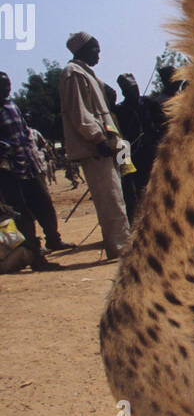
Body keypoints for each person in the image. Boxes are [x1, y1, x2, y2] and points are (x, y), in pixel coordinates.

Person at [59, 32, 130, 259]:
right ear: (81, 50)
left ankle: (124, 243)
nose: (98, 54)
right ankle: (119, 248)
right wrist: (97, 138)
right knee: (110, 201)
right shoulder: (73, 74)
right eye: (95, 50)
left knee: (118, 197)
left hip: (109, 146)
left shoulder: (87, 74)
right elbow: (79, 113)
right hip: (96, 149)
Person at [0, 72, 70, 264]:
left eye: (8, 85)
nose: (7, 89)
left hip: (29, 166)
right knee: (22, 213)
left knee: (44, 204)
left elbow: (25, 134)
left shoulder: (12, 106)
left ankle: (54, 240)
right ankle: (34, 252)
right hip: (10, 171)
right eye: (2, 86)